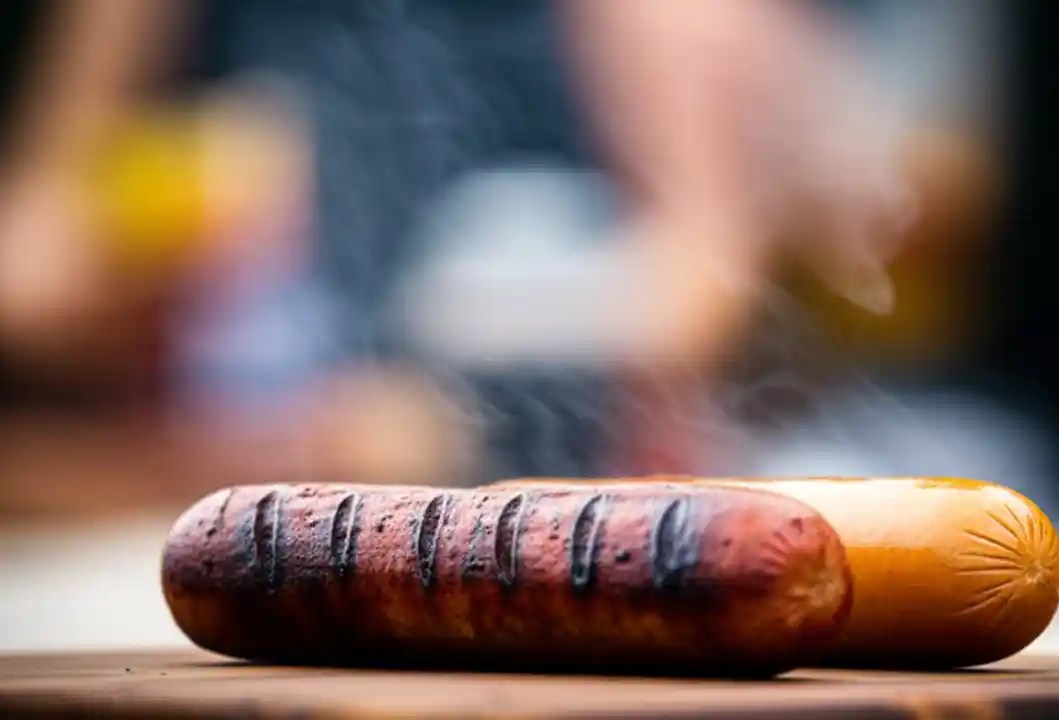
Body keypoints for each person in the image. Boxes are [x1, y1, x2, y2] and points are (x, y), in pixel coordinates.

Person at [0, 0, 913, 511]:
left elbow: (702, 304)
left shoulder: (654, 25)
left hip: (552, 498)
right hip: (202, 485)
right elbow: (31, 270)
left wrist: (445, 404)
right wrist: (150, 223)